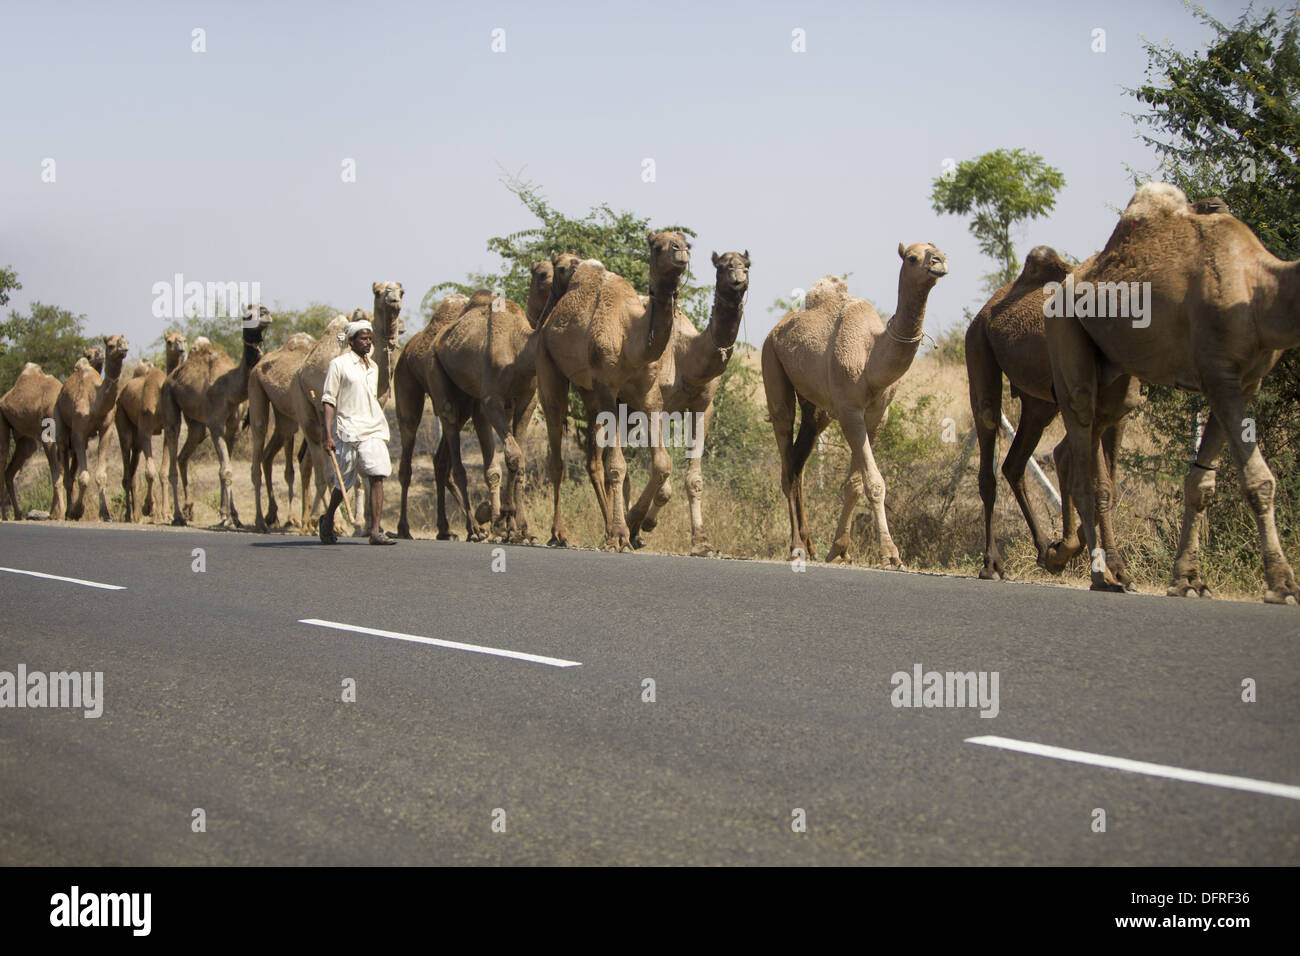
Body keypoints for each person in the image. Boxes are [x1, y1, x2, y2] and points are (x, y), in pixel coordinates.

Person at [319, 319, 395, 545]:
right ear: (351, 341)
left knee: (377, 474)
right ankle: (328, 517)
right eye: (363, 338)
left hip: (373, 427)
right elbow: (328, 400)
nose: (368, 342)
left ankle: (374, 531)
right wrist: (328, 435)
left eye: (370, 338)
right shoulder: (338, 365)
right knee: (344, 482)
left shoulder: (374, 367)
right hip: (347, 429)